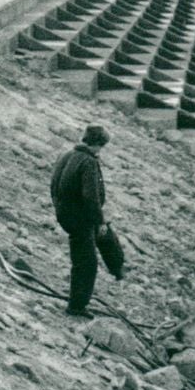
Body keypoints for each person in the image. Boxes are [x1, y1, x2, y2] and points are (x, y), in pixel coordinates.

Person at [49, 124, 110, 317]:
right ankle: (76, 306)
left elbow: (53, 184)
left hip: (65, 214)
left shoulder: (67, 155)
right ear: (98, 144)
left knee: (81, 258)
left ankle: (76, 301)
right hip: (80, 219)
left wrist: (60, 208)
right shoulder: (88, 161)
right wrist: (99, 222)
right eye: (101, 146)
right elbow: (91, 198)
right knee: (87, 263)